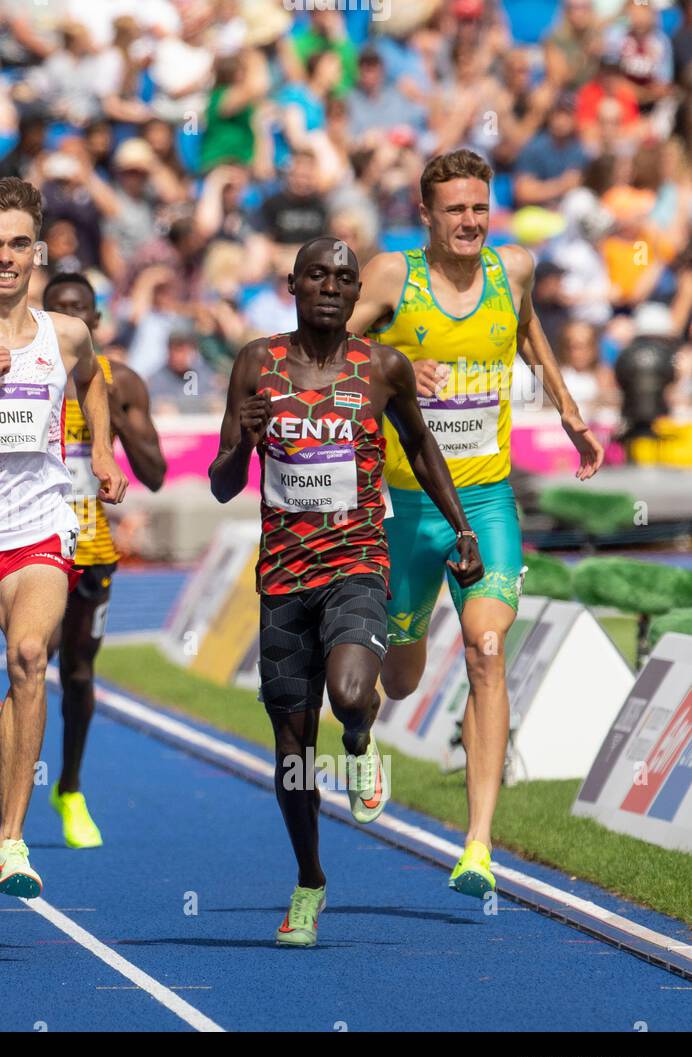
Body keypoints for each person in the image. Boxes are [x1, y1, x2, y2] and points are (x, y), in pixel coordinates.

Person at [210, 236, 484, 947]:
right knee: (294, 752)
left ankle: (359, 740)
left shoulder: (382, 367)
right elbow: (220, 483)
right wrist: (241, 440)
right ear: (292, 284)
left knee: (354, 690)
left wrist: (461, 528)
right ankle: (309, 880)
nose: (330, 287)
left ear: (357, 291)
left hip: (357, 560)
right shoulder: (256, 364)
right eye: (317, 276)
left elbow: (423, 448)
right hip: (282, 577)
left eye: (343, 278)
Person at [347, 149, 604, 899]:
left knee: (486, 648)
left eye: (480, 208)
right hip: (405, 504)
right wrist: (392, 359)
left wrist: (569, 411)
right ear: (424, 214)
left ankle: (479, 846)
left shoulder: (512, 269)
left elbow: (528, 334)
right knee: (396, 679)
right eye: (455, 209)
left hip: (484, 501)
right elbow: (323, 343)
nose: (470, 222)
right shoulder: (395, 277)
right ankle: (360, 736)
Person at [0, 177, 128, 899]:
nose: (4, 258)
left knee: (31, 654)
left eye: (17, 244)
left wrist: (100, 451)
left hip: (37, 527)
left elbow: (93, 382)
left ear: (36, 249)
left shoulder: (64, 333)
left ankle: (11, 843)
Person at [41, 272, 165, 847]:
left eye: (80, 311)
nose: (70, 320)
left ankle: (69, 787)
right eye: (57, 310)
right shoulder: (18, 376)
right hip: (29, 543)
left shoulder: (121, 381)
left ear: (95, 319)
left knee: (78, 673)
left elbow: (157, 474)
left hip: (91, 551)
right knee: (26, 656)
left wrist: (111, 423)